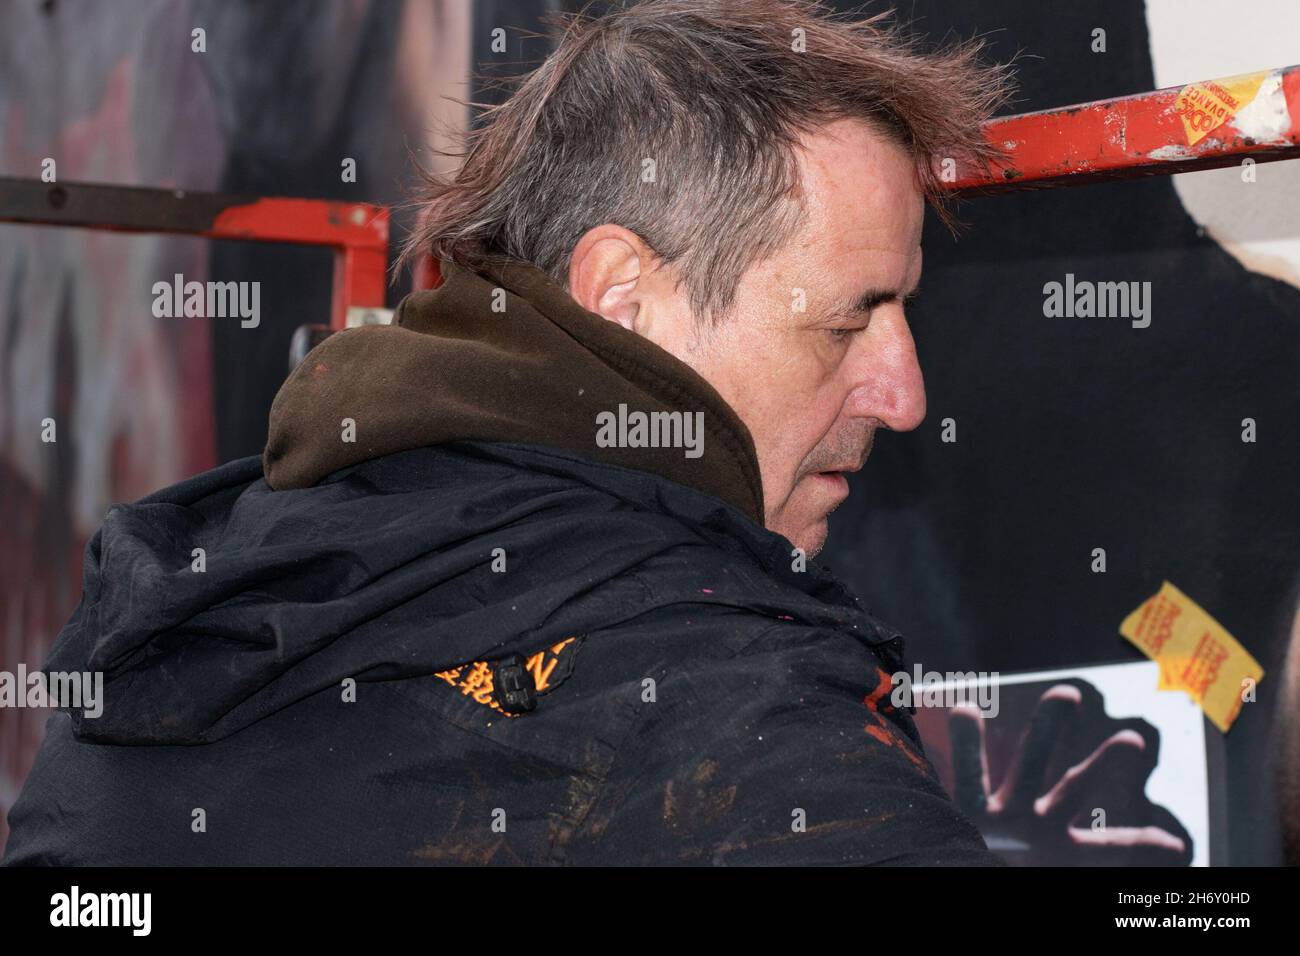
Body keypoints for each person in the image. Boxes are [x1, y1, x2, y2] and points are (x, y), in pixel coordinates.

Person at [4, 0, 1014, 865]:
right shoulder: (732, 711)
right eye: (845, 319)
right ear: (625, 299)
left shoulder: (195, 598)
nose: (904, 393)